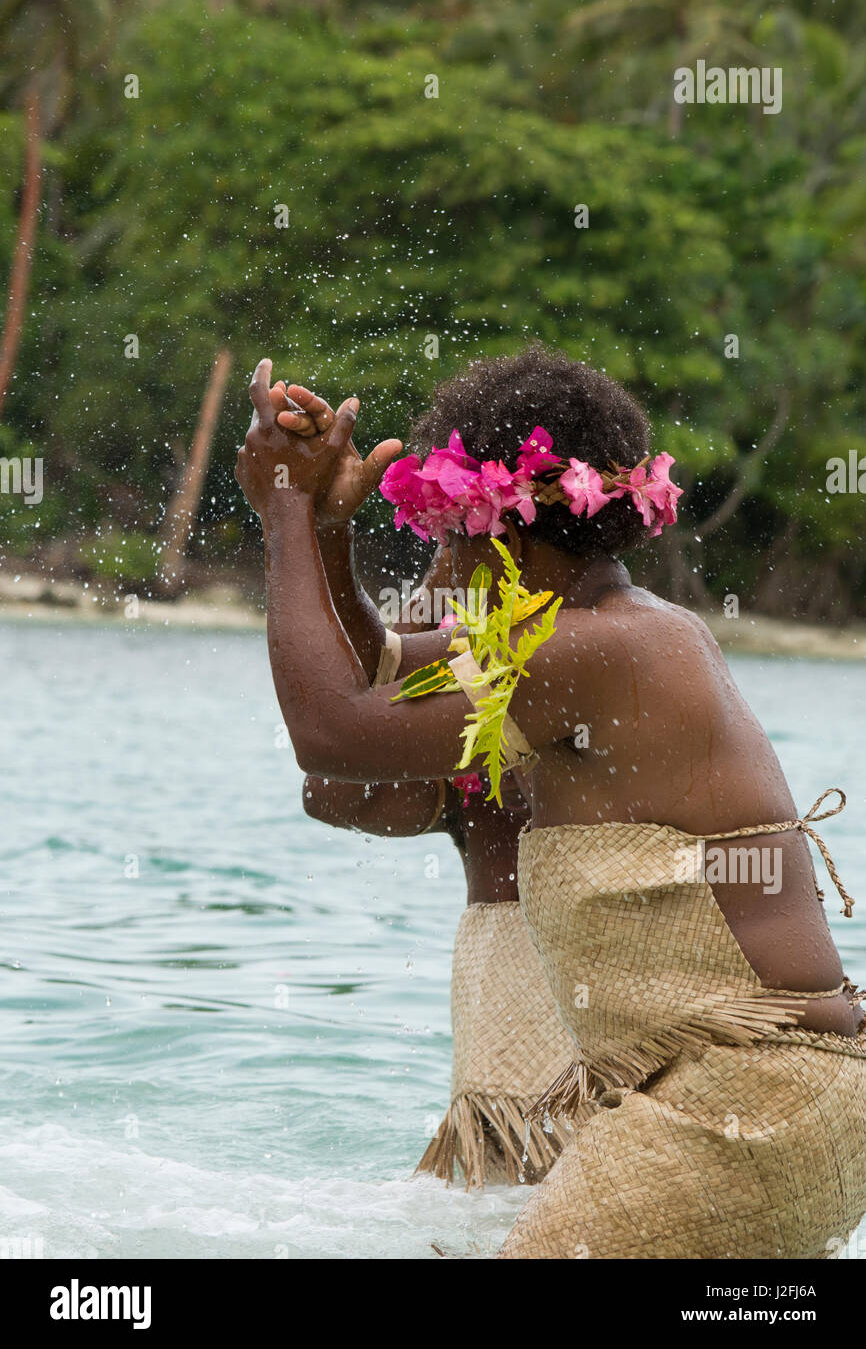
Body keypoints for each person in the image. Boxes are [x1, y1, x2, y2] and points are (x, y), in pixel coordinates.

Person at [237, 344, 866, 1259]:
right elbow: (374, 674)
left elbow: (331, 731)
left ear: (515, 532)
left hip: (750, 1101)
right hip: (765, 1097)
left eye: (455, 534)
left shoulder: (604, 651)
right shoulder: (595, 639)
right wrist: (329, 533)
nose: (442, 568)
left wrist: (285, 514)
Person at [299, 504, 572, 1188]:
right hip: (510, 1014)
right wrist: (440, 578)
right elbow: (334, 789)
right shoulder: (473, 688)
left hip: (624, 999)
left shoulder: (618, 650)